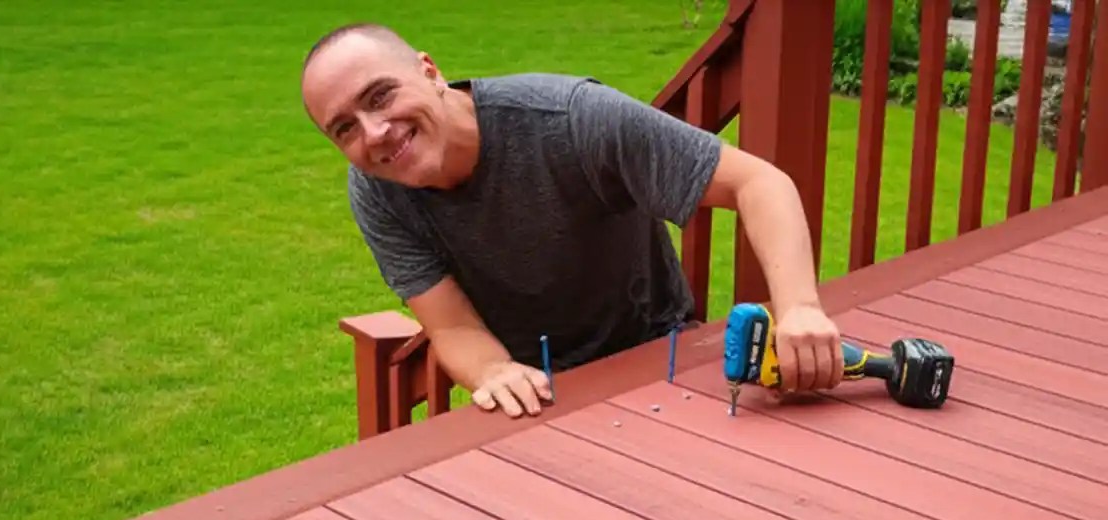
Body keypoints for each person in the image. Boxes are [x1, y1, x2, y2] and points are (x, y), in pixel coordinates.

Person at [300, 23, 844, 418]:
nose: (374, 133)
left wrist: (799, 308)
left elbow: (759, 183)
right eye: (345, 128)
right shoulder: (377, 190)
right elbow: (452, 327)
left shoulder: (570, 118)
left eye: (381, 96)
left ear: (429, 71)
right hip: (540, 394)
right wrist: (492, 372)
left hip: (657, 358)